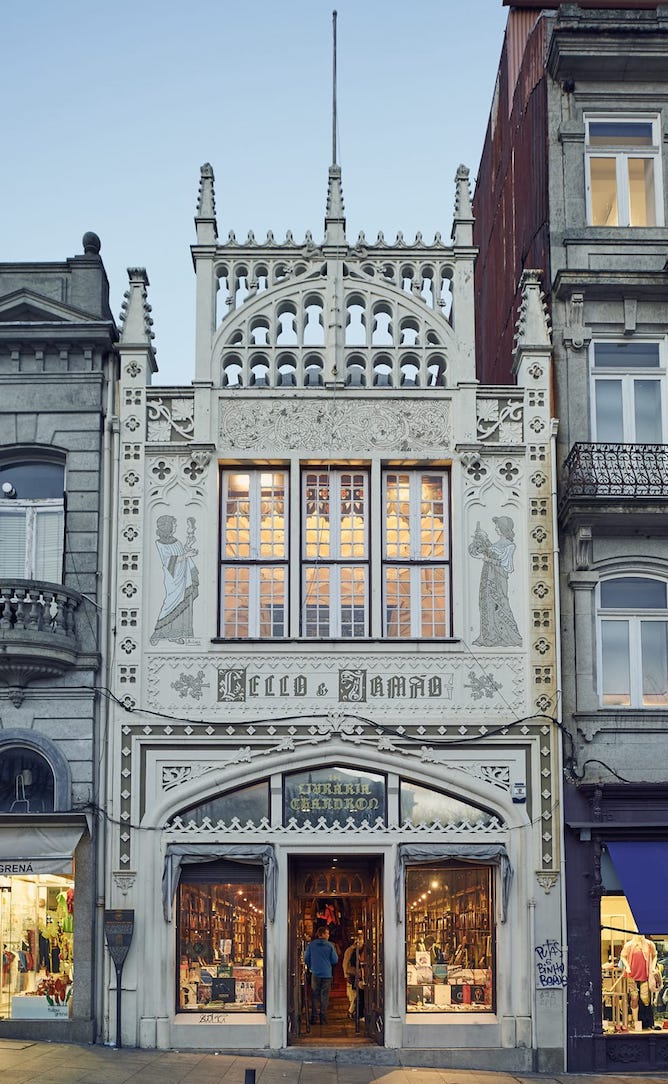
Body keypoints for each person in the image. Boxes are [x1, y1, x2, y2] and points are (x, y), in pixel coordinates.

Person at [469, 516, 522, 647]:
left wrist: (486, 558)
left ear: (504, 528)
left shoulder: (510, 546)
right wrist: (483, 538)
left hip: (498, 580)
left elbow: (505, 565)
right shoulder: (495, 544)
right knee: (486, 604)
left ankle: (506, 635)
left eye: (498, 526)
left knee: (500, 604)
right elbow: (489, 550)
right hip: (487, 577)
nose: (496, 528)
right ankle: (488, 636)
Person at [150, 515, 199, 645]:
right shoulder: (160, 544)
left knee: (184, 603)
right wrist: (186, 555)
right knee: (170, 604)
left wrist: (188, 546)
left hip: (183, 577)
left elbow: (180, 553)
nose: (176, 526)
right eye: (174, 524)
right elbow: (170, 561)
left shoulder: (176, 541)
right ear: (167, 526)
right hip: (173, 580)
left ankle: (176, 634)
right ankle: (158, 633)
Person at [620, 933, 658, 1029]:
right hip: (631, 975)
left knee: (645, 998)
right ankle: (636, 1021)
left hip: (645, 974)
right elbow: (623, 956)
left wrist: (653, 967)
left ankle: (646, 1021)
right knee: (634, 998)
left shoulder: (649, 944)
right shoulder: (629, 945)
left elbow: (654, 956)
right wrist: (627, 966)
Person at [304, 925, 338, 1024]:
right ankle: (323, 1017)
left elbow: (306, 958)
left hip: (315, 973)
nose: (328, 935)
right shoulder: (330, 945)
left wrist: (311, 965)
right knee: (325, 996)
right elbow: (335, 960)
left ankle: (314, 1017)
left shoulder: (311, 945)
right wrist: (327, 963)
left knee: (314, 995)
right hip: (327, 973)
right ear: (322, 934)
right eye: (327, 933)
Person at [343, 933, 365, 1018]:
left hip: (355, 974)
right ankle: (351, 1011)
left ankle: (352, 1011)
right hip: (353, 974)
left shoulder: (357, 950)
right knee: (353, 995)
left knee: (355, 995)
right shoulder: (351, 950)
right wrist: (346, 975)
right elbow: (346, 963)